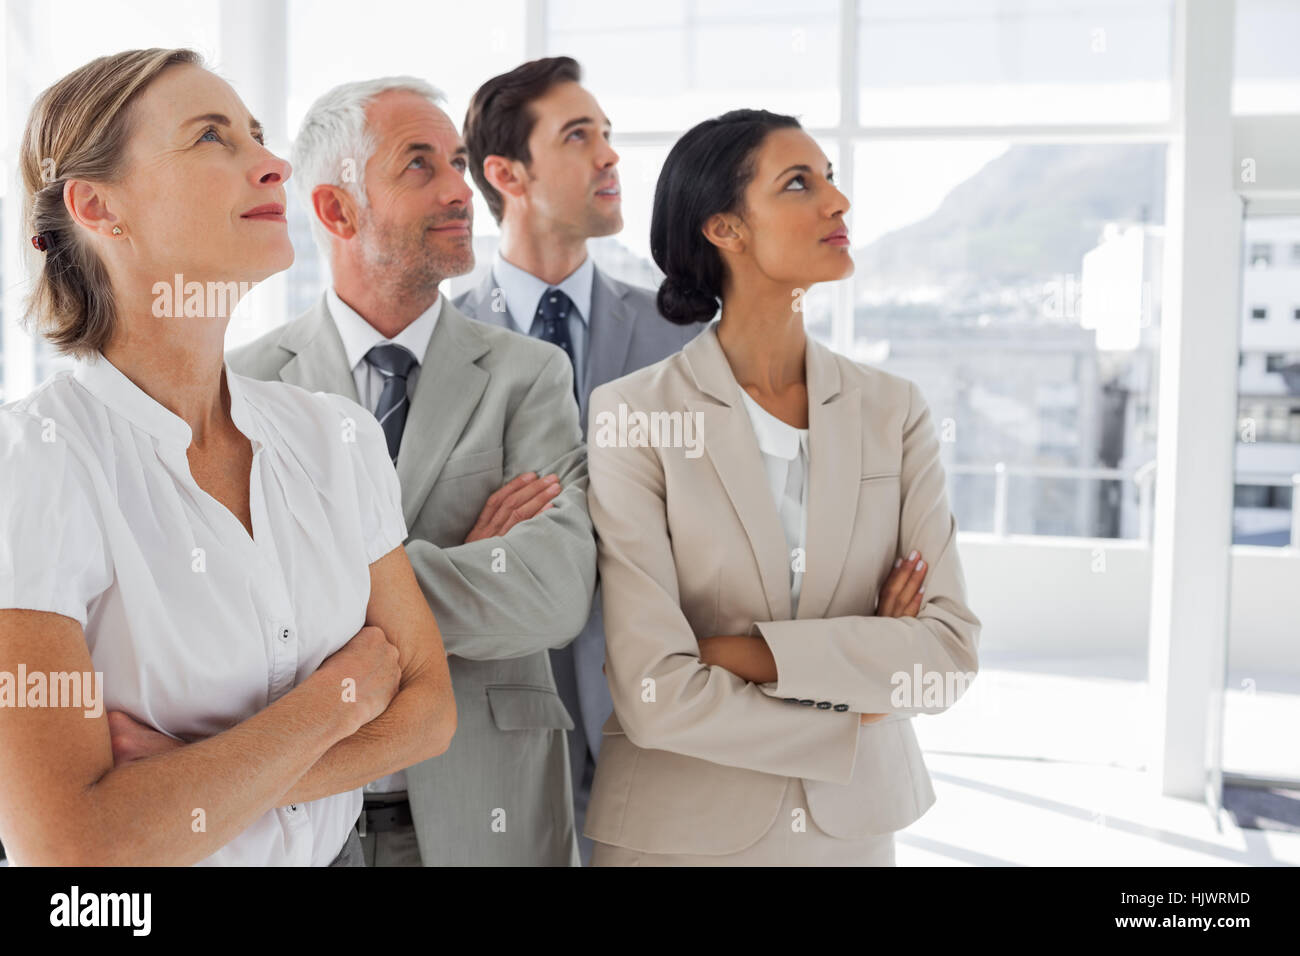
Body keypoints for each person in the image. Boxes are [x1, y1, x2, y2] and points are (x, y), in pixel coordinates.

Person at [0, 48, 455, 867]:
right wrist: (331, 703)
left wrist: (187, 784)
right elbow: (68, 847)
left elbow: (427, 711)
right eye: (214, 138)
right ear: (98, 206)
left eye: (256, 134)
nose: (274, 165)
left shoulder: (332, 437)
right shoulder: (33, 464)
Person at [583, 109, 982, 865]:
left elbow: (945, 656)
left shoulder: (892, 410)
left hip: (852, 832)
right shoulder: (634, 415)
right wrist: (855, 690)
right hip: (676, 833)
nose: (839, 202)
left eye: (831, 177)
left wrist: (735, 654)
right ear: (724, 228)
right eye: (799, 183)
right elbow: (652, 691)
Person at [226, 75, 597, 866]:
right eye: (420, 166)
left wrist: (321, 592)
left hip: (488, 811)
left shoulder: (528, 375)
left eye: (458, 164)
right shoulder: (245, 384)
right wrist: (466, 558)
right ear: (335, 210)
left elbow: (555, 592)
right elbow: (228, 610)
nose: (461, 191)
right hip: (301, 816)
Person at [456, 55, 701, 865]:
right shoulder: (440, 347)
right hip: (491, 706)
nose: (609, 156)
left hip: (652, 711)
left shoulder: (684, 335)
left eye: (608, 134)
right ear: (506, 173)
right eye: (578, 135)